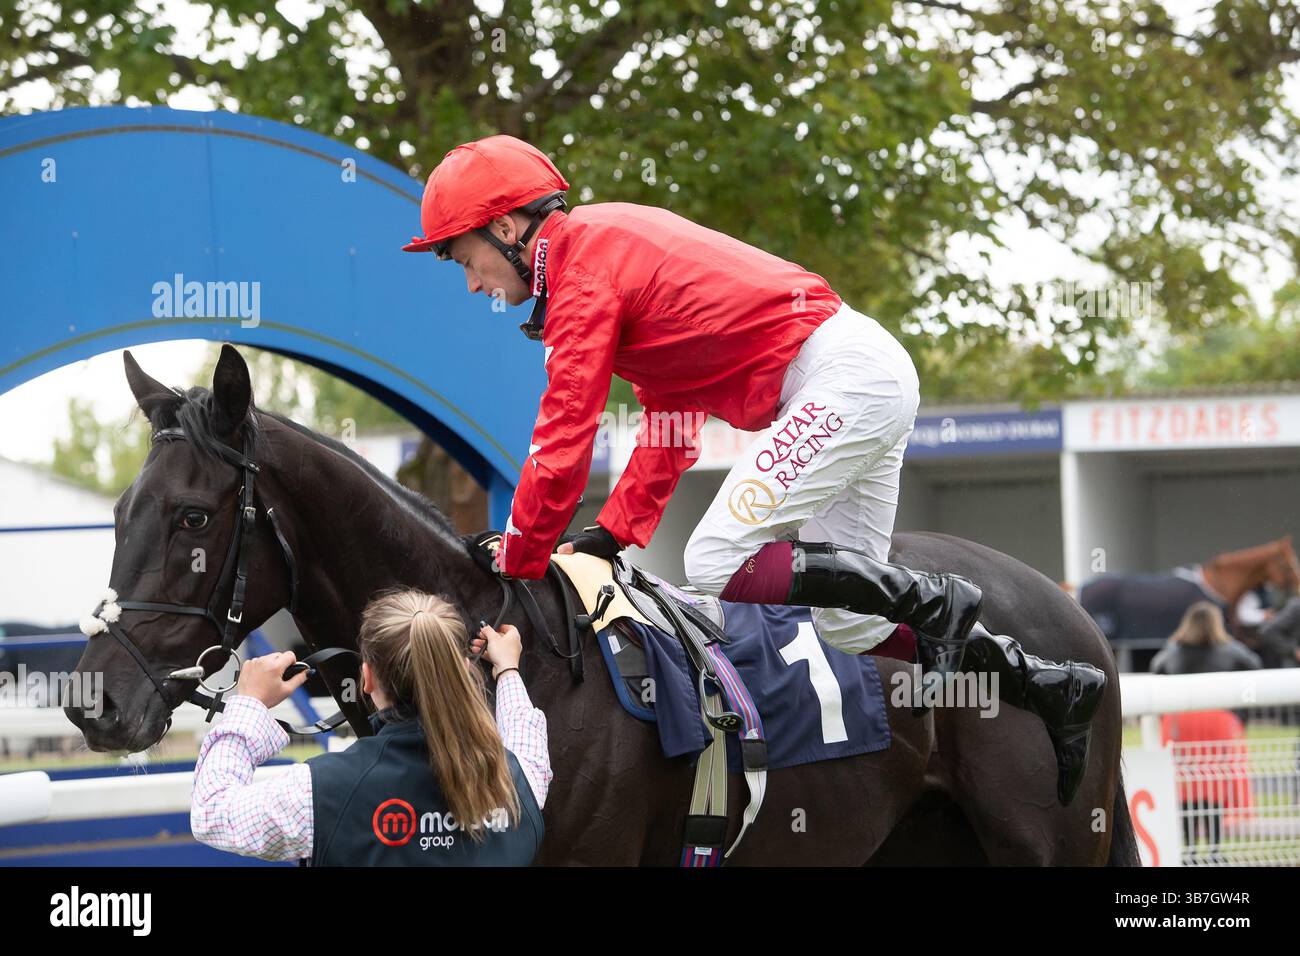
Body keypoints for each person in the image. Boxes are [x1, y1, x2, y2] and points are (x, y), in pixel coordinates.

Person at [400, 135, 1105, 805]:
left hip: (843, 379)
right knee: (846, 624)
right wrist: (610, 536)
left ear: (509, 226)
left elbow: (564, 431)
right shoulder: (596, 252)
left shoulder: (585, 266)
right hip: (856, 375)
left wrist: (519, 557)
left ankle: (942, 601)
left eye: (465, 260)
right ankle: (1044, 683)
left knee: (712, 555)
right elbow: (671, 419)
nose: (471, 285)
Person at [191, 590, 550, 865]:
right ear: (460, 671)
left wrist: (249, 703)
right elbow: (523, 734)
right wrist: (508, 670)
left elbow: (213, 812)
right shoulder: (519, 781)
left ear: (366, 679)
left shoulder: (321, 793)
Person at [1151, 601, 1263, 675]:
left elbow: (1156, 667)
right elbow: (1255, 664)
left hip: (1182, 708)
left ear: (1187, 622)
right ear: (1217, 623)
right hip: (1220, 706)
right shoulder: (1229, 648)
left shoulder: (1173, 649)